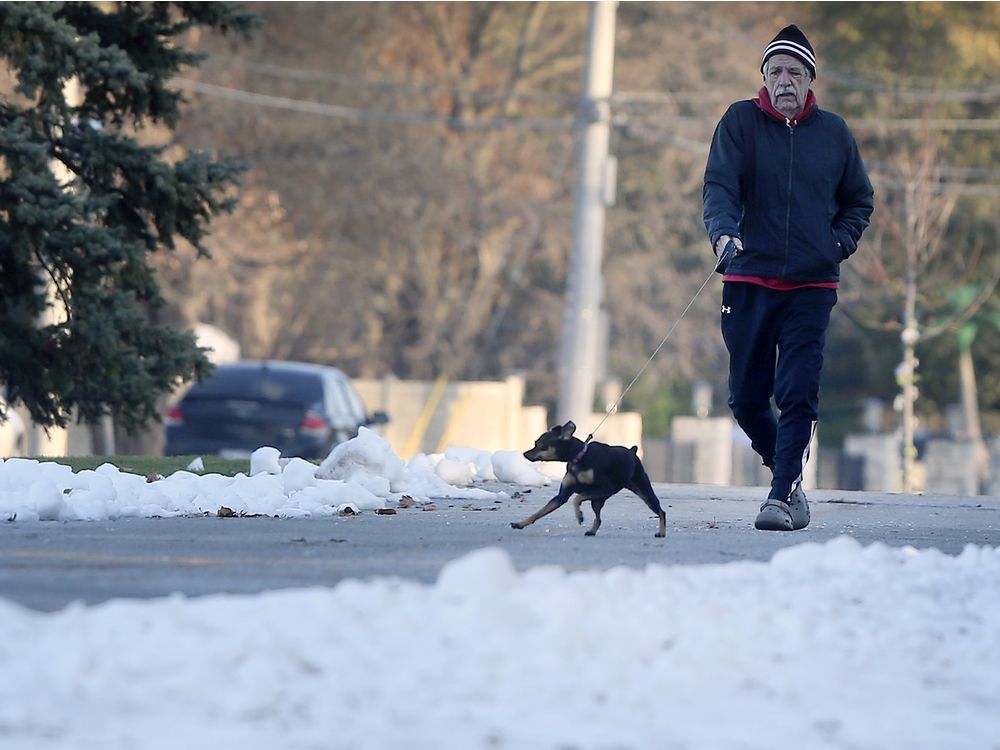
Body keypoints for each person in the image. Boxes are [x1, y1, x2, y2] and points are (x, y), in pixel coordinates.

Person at [702, 24, 874, 531]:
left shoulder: (835, 134)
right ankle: (788, 474)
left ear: (809, 80)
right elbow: (719, 187)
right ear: (763, 77)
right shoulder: (739, 122)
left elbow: (859, 201)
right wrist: (723, 234)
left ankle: (779, 497)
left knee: (798, 391)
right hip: (748, 278)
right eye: (775, 71)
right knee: (746, 399)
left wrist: (836, 244)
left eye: (794, 72)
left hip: (810, 286)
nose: (784, 80)